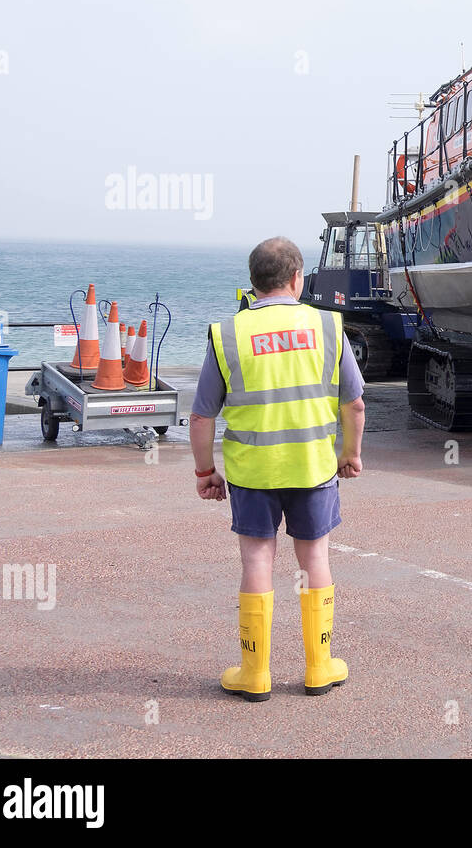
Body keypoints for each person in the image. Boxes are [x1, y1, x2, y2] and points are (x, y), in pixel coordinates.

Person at [190, 237, 366, 703]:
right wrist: (350, 453)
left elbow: (202, 415)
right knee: (315, 561)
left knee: (256, 560)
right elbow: (355, 403)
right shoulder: (328, 326)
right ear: (296, 279)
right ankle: (318, 668)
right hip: (312, 467)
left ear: (254, 282)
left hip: (253, 473)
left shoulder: (228, 334)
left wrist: (205, 471)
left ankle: (254, 673)